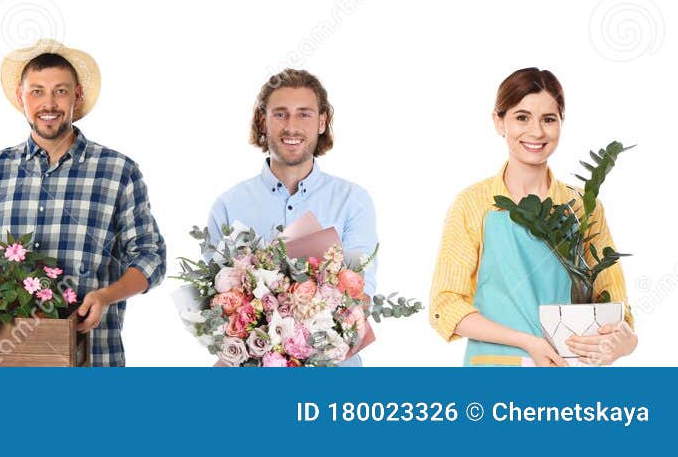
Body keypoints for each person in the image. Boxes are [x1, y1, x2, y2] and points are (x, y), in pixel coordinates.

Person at [0, 39, 167, 367]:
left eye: (60, 91)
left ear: (77, 96)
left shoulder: (118, 171)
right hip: (2, 363)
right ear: (21, 97)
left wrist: (104, 297)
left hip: (92, 359)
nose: (48, 103)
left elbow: (152, 257)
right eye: (36, 91)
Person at [429, 67, 637, 366]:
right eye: (522, 117)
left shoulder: (583, 206)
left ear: (561, 124)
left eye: (548, 119)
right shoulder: (473, 204)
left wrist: (625, 341)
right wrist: (528, 343)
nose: (537, 131)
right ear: (499, 122)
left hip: (569, 373)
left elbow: (616, 304)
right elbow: (445, 306)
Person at [205, 69, 378, 365]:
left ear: (322, 122)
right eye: (281, 114)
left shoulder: (353, 201)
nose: (292, 127)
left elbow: (360, 295)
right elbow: (213, 301)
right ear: (263, 120)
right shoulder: (229, 205)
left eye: (304, 115)